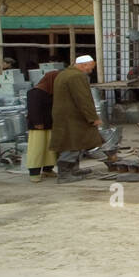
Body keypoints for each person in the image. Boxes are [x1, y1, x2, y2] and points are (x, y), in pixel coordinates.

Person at [49, 56, 103, 184]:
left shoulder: (64, 74)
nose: (91, 71)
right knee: (72, 143)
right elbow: (83, 99)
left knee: (76, 142)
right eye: (90, 67)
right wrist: (93, 117)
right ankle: (64, 174)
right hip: (73, 117)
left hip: (66, 115)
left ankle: (74, 169)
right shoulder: (76, 77)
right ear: (83, 65)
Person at [25, 70, 59, 183]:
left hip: (49, 124)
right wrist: (37, 122)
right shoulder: (35, 92)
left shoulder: (52, 91)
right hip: (38, 126)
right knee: (37, 149)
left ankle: (47, 169)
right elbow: (33, 109)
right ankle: (34, 173)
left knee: (50, 149)